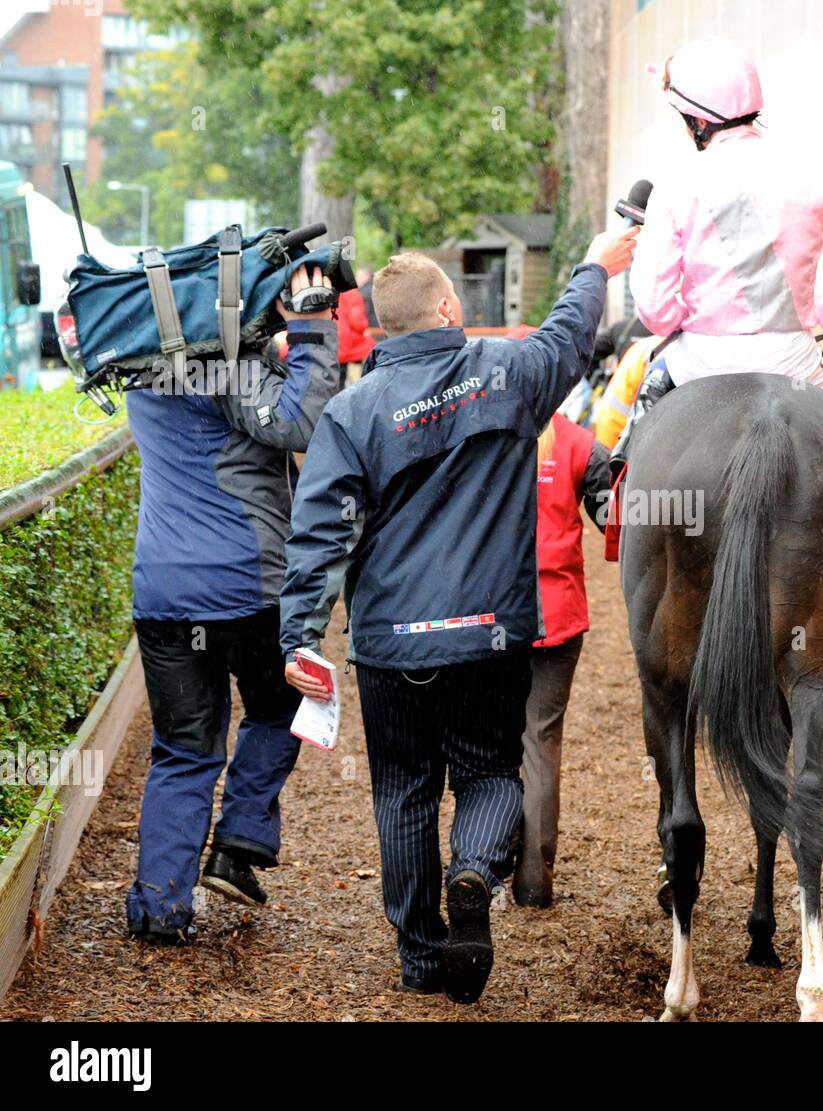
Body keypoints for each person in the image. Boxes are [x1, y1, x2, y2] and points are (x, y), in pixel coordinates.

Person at [280, 226, 638, 1004]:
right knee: (488, 772)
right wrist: (593, 266)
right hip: (488, 631)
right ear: (449, 306)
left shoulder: (352, 413)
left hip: (390, 643)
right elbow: (570, 335)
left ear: (381, 327)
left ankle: (421, 957)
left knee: (403, 789)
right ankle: (475, 866)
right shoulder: (505, 373)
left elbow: (319, 533)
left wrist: (299, 635)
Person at [125, 265, 341, 944]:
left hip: (162, 594)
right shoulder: (227, 369)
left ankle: (160, 907)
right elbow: (298, 419)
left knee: (183, 750)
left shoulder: (137, 367)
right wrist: (308, 325)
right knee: (281, 706)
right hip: (245, 589)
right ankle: (240, 842)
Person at [612, 35, 823, 473]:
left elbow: (655, 310)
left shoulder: (676, 183)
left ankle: (616, 505)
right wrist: (804, 315)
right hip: (795, 359)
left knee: (629, 453)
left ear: (697, 120)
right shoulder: (817, 176)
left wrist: (691, 321)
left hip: (699, 362)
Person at [503, 325, 612, 908]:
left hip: (488, 614)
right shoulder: (579, 444)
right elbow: (616, 524)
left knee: (489, 742)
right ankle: (534, 880)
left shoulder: (479, 437)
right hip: (557, 614)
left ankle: (481, 859)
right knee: (539, 741)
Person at [335, 269, 376, 388]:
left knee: (338, 379)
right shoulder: (351, 292)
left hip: (332, 341)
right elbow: (358, 322)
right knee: (354, 379)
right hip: (349, 343)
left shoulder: (328, 289)